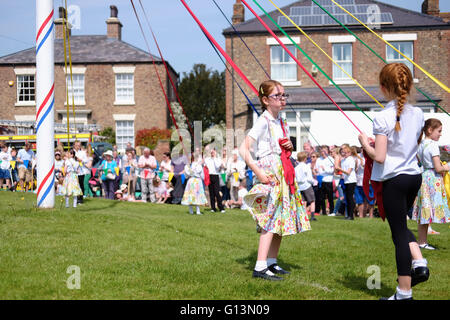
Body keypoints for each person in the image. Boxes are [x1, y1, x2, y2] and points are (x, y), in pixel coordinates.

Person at [359, 63, 428, 300]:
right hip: (413, 176)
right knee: (400, 226)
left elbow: (379, 156)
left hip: (394, 179)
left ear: (383, 87)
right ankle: (419, 263)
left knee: (398, 234)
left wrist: (364, 143)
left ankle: (404, 292)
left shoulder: (383, 116)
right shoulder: (418, 114)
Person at [239, 79, 310, 281]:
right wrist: (258, 172)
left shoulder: (281, 120)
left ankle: (271, 262)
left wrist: (288, 145)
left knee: (282, 217)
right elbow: (244, 148)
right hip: (270, 172)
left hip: (283, 170)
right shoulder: (263, 121)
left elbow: (280, 146)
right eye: (277, 96)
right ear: (265, 100)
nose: (282, 99)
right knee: (271, 218)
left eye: (283, 95)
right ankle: (260, 266)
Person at [412, 118, 450, 250]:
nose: (440, 134)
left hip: (424, 177)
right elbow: (438, 168)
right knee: (427, 210)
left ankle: (422, 242)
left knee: (425, 210)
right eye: (439, 131)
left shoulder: (421, 144)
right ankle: (422, 242)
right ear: (430, 130)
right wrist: (447, 167)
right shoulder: (433, 145)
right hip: (432, 179)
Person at [335, 145, 357, 220]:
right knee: (347, 198)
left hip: (351, 181)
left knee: (350, 198)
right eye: (342, 152)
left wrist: (339, 168)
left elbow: (348, 172)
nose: (343, 154)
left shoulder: (351, 159)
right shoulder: (344, 160)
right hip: (346, 181)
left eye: (345, 152)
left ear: (349, 153)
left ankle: (351, 215)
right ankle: (348, 215)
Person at [295, 151, 316, 221]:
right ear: (305, 159)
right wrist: (313, 182)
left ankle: (303, 215)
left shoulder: (296, 168)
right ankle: (312, 216)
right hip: (307, 185)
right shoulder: (306, 167)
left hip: (300, 186)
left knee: (304, 201)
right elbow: (309, 177)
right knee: (312, 201)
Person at [204, 148, 225, 213]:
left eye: (213, 151)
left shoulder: (218, 159)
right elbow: (205, 166)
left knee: (217, 192)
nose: (212, 152)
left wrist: (214, 158)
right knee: (211, 192)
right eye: (211, 151)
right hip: (209, 176)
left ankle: (221, 207)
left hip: (215, 175)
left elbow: (217, 166)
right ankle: (213, 208)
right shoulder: (207, 159)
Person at [315, 145, 335, 215]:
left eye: (324, 151)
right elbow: (316, 168)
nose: (323, 153)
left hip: (328, 180)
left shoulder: (331, 159)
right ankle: (323, 211)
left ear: (327, 151)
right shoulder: (318, 159)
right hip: (321, 180)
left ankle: (332, 211)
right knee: (321, 197)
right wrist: (316, 171)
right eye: (321, 151)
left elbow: (332, 170)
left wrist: (324, 169)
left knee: (330, 197)